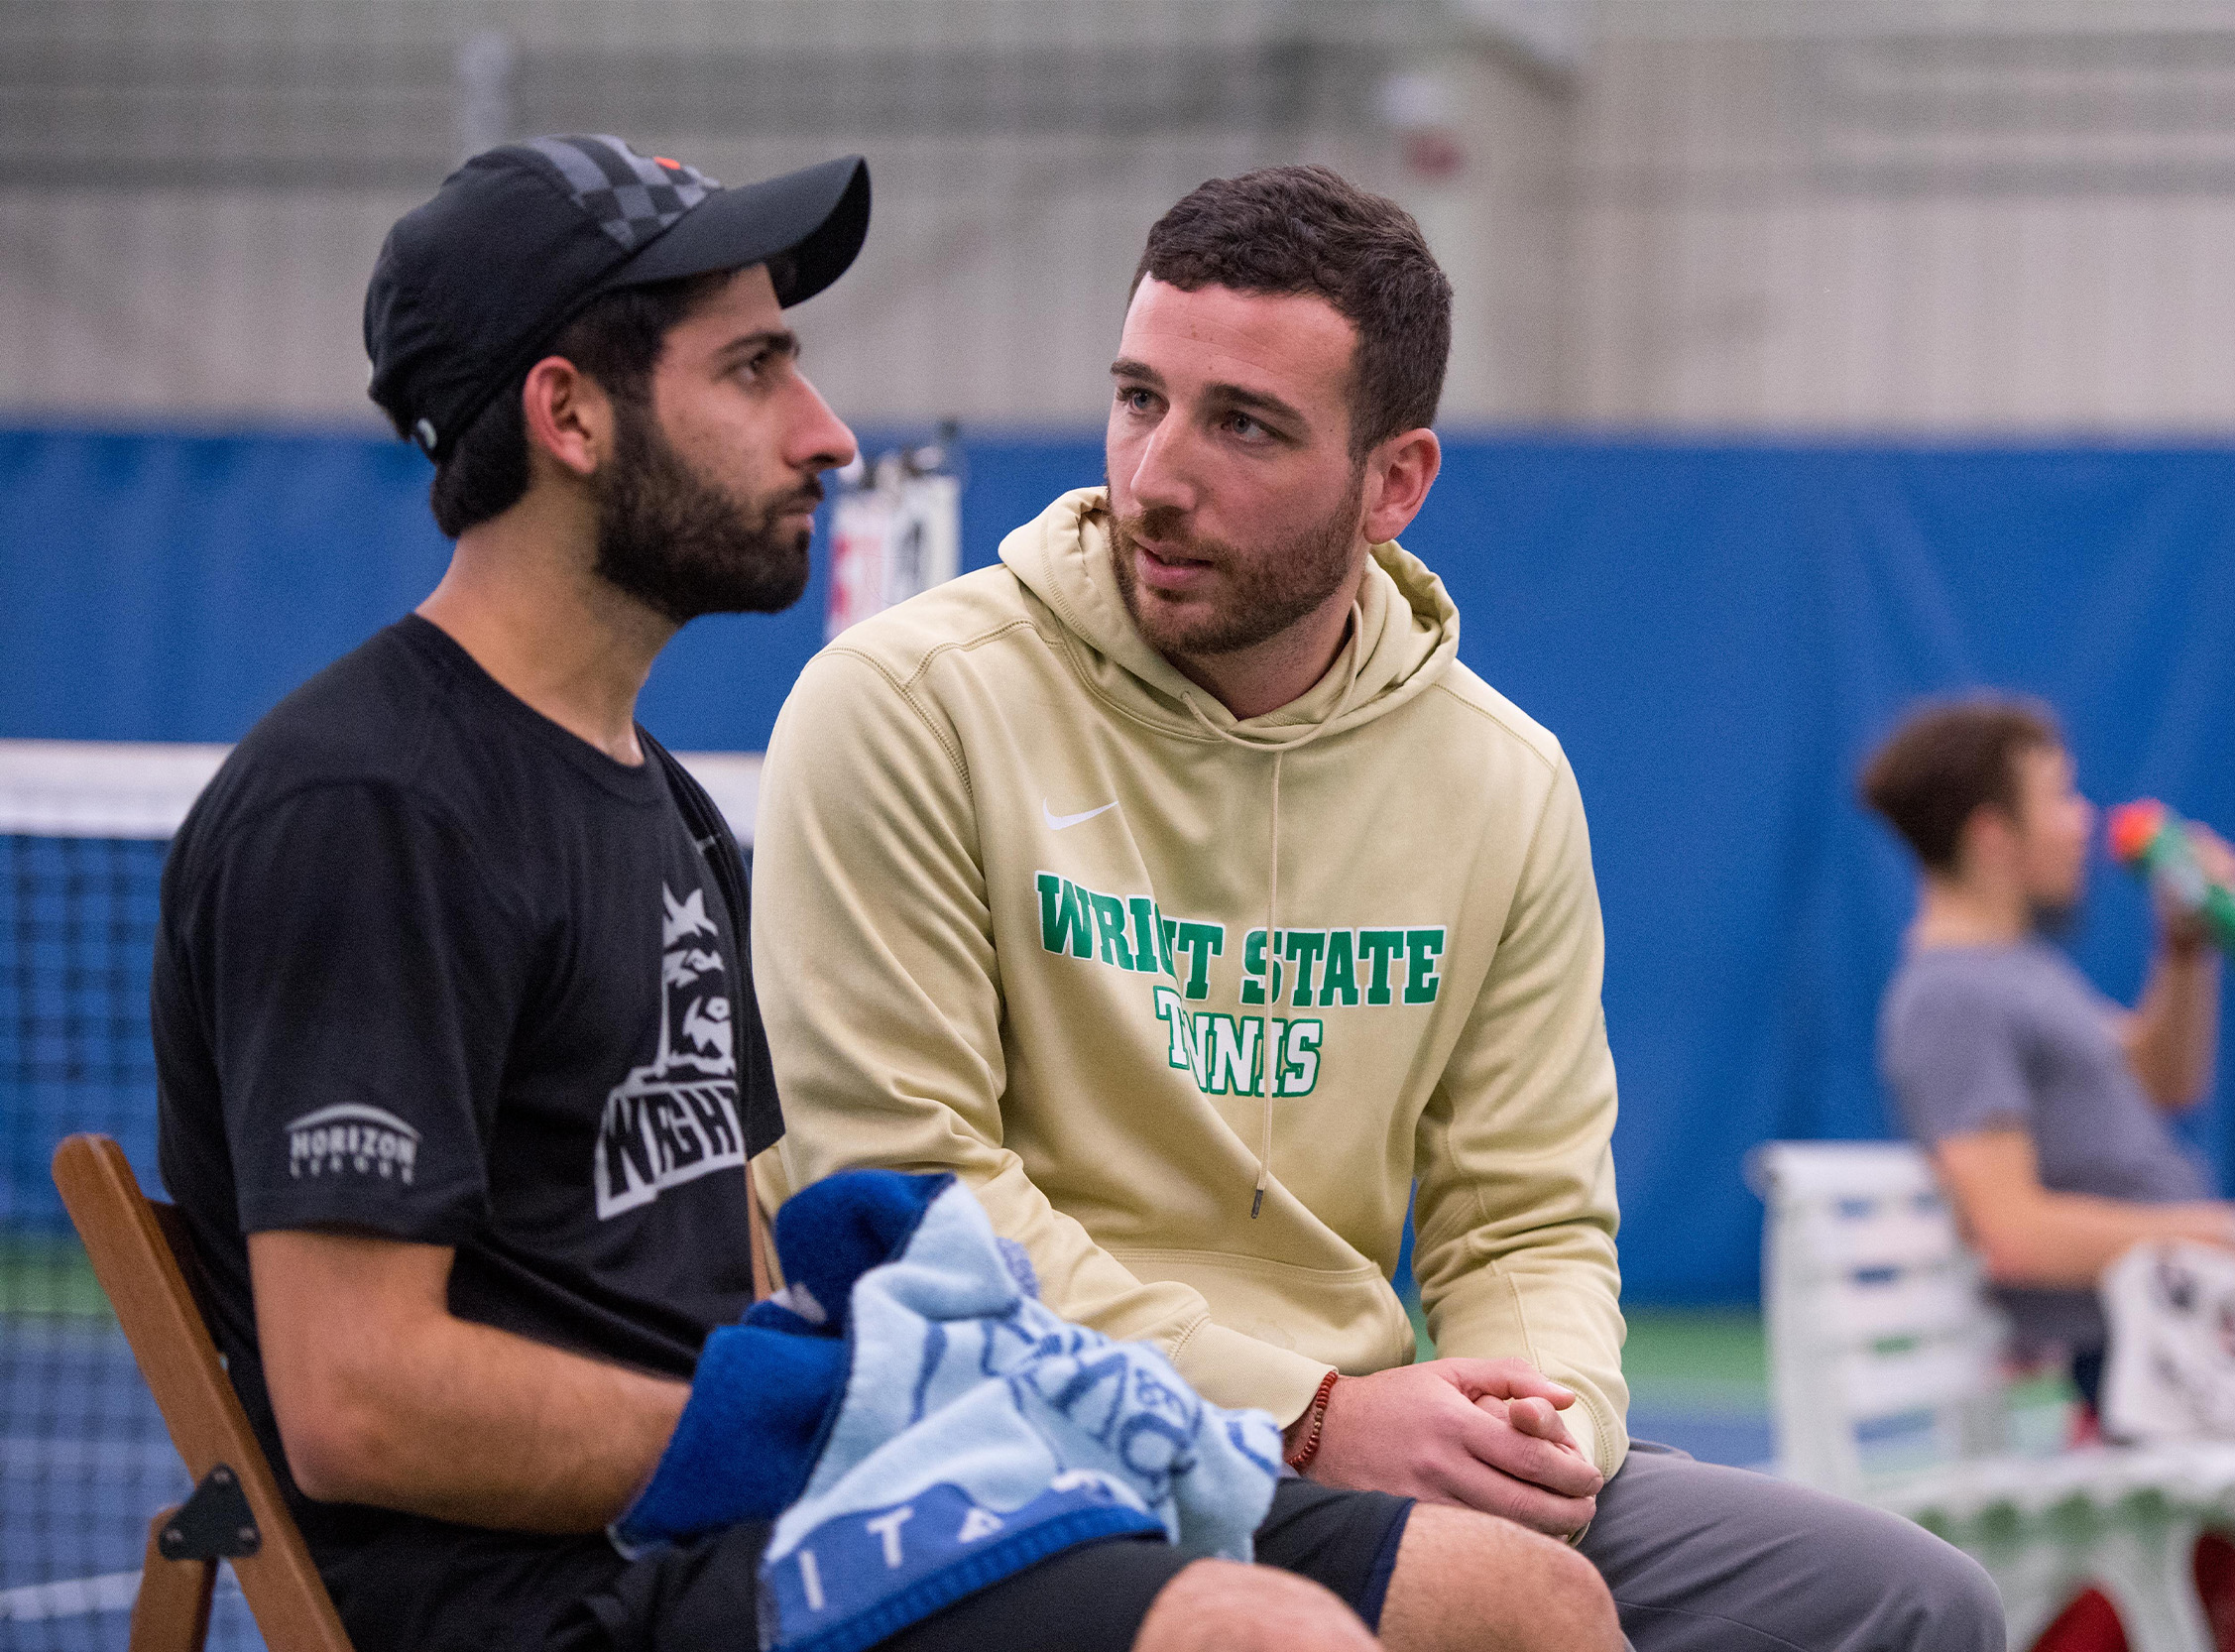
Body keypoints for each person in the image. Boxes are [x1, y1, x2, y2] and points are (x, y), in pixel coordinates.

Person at [152, 136, 1595, 1652]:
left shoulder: (661, 810)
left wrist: (955, 1383)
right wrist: (836, 1424)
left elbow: (754, 1267)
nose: (829, 434)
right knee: (1260, 1637)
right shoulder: (372, 809)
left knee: (1519, 1597)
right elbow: (358, 1405)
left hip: (755, 1527)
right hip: (577, 1591)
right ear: (569, 413)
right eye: (756, 370)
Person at [751, 162, 2005, 1650]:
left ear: (1393, 482)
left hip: (1368, 1443)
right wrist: (1302, 1412)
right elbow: (908, 1191)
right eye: (1141, 396)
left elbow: (1525, 1215)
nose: (1157, 475)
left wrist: (1538, 1429)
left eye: (1244, 425)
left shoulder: (1503, 777)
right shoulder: (904, 704)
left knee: (1912, 1601)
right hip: (1018, 1438)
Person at [1860, 694, 2235, 1410]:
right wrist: (2220, 1232)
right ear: (1991, 836)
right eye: (2060, 799)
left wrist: (2185, 945)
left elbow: (2163, 1082)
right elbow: (2012, 1233)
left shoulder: (2016, 968)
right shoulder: (1949, 999)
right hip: (2143, 1353)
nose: (2084, 823)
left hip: (2185, 1320)